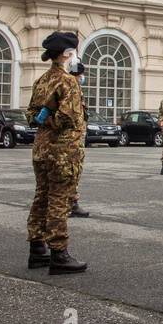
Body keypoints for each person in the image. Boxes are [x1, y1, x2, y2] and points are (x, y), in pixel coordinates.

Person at [26, 32, 89, 274]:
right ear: (66, 54)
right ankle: (59, 253)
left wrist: (44, 117)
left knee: (41, 196)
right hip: (63, 151)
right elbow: (69, 117)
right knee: (59, 200)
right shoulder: (68, 81)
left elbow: (31, 116)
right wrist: (53, 118)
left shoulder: (42, 80)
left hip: (42, 149)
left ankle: (37, 248)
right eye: (73, 51)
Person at [69, 61, 91, 218]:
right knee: (69, 173)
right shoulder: (70, 90)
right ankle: (68, 205)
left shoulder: (78, 90)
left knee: (75, 172)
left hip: (77, 140)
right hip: (70, 141)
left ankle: (72, 203)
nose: (82, 77)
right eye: (80, 75)